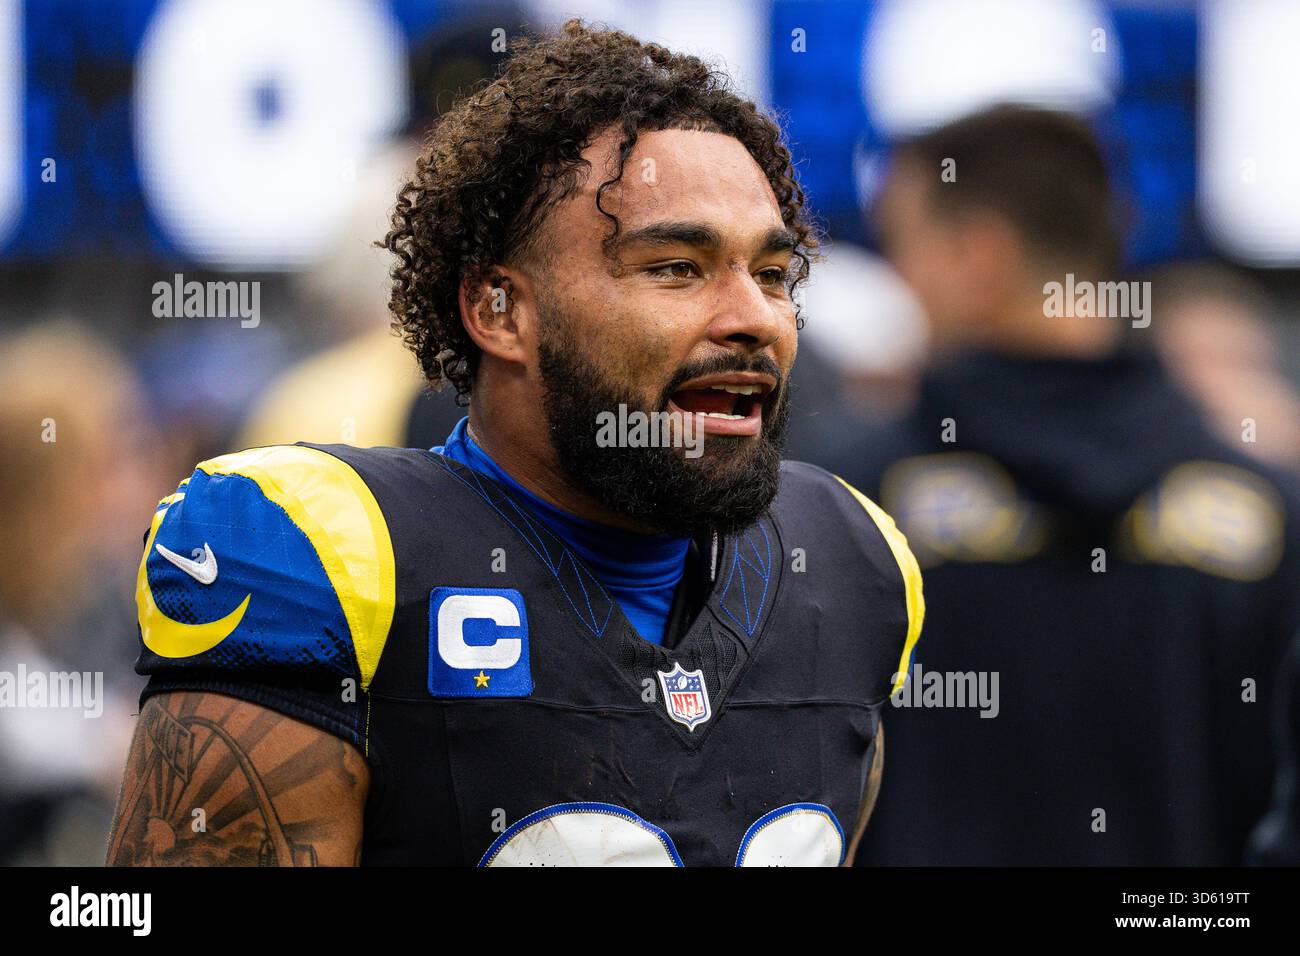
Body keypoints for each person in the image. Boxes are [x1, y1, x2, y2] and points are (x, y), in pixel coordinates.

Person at [107, 20, 923, 867]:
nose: (755, 318)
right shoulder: (327, 562)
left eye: (772, 274)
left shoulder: (849, 562)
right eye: (676, 267)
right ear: (500, 311)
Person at [835, 105, 1300, 865]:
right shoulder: (1268, 509)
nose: (899, 280)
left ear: (980, 255)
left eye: (903, 244)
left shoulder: (853, 503)